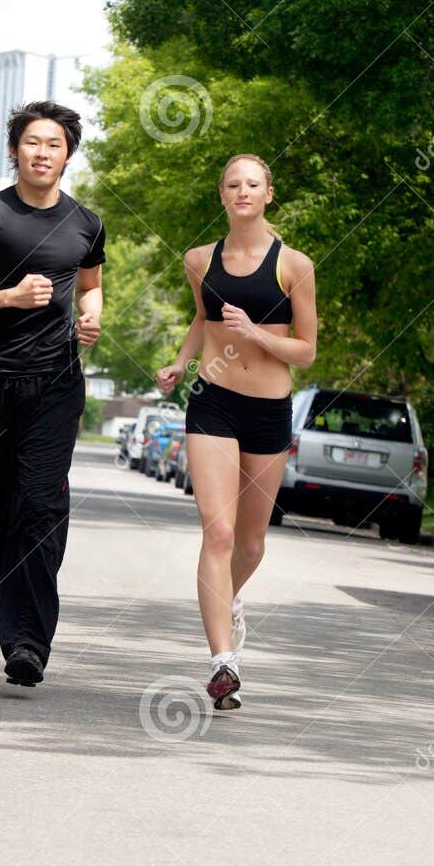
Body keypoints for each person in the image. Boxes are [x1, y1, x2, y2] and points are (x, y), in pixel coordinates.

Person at [0, 100, 104, 687]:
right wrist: (6, 297)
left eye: (54, 144)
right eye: (32, 142)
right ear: (14, 150)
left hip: (57, 383)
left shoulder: (86, 223)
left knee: (40, 505)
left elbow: (91, 286)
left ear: (67, 154)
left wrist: (91, 317)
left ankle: (27, 642)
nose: (42, 153)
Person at [157, 153, 316, 710]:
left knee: (250, 543)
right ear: (221, 195)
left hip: (269, 411)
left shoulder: (294, 265)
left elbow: (306, 350)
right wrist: (181, 362)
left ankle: (230, 601)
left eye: (252, 184)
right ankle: (222, 662)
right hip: (213, 403)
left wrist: (255, 333)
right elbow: (202, 320)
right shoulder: (199, 259)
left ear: (268, 193)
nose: (242, 191)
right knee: (219, 533)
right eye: (233, 184)